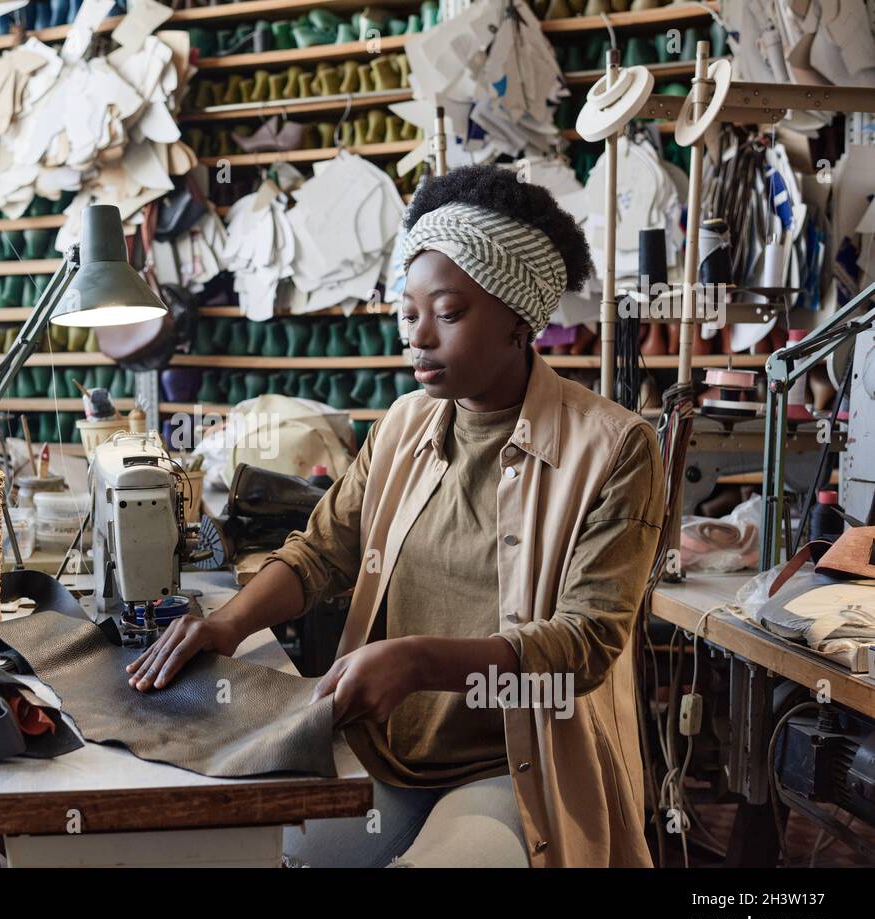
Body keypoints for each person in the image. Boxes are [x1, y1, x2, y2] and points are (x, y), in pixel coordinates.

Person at [127, 165, 664, 868]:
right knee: (241, 849)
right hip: (390, 749)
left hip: (515, 762)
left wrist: (419, 662)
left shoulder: (614, 446)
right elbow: (323, 551)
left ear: (518, 320)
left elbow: (585, 645)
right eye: (409, 312)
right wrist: (228, 624)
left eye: (448, 312)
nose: (420, 335)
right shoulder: (407, 423)